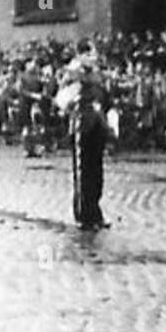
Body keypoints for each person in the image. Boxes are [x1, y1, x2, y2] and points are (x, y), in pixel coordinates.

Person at [60, 60, 109, 229]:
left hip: (96, 129)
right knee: (83, 174)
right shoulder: (72, 90)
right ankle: (84, 216)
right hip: (82, 130)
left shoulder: (98, 89)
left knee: (96, 175)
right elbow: (63, 104)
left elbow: (106, 105)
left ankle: (95, 212)